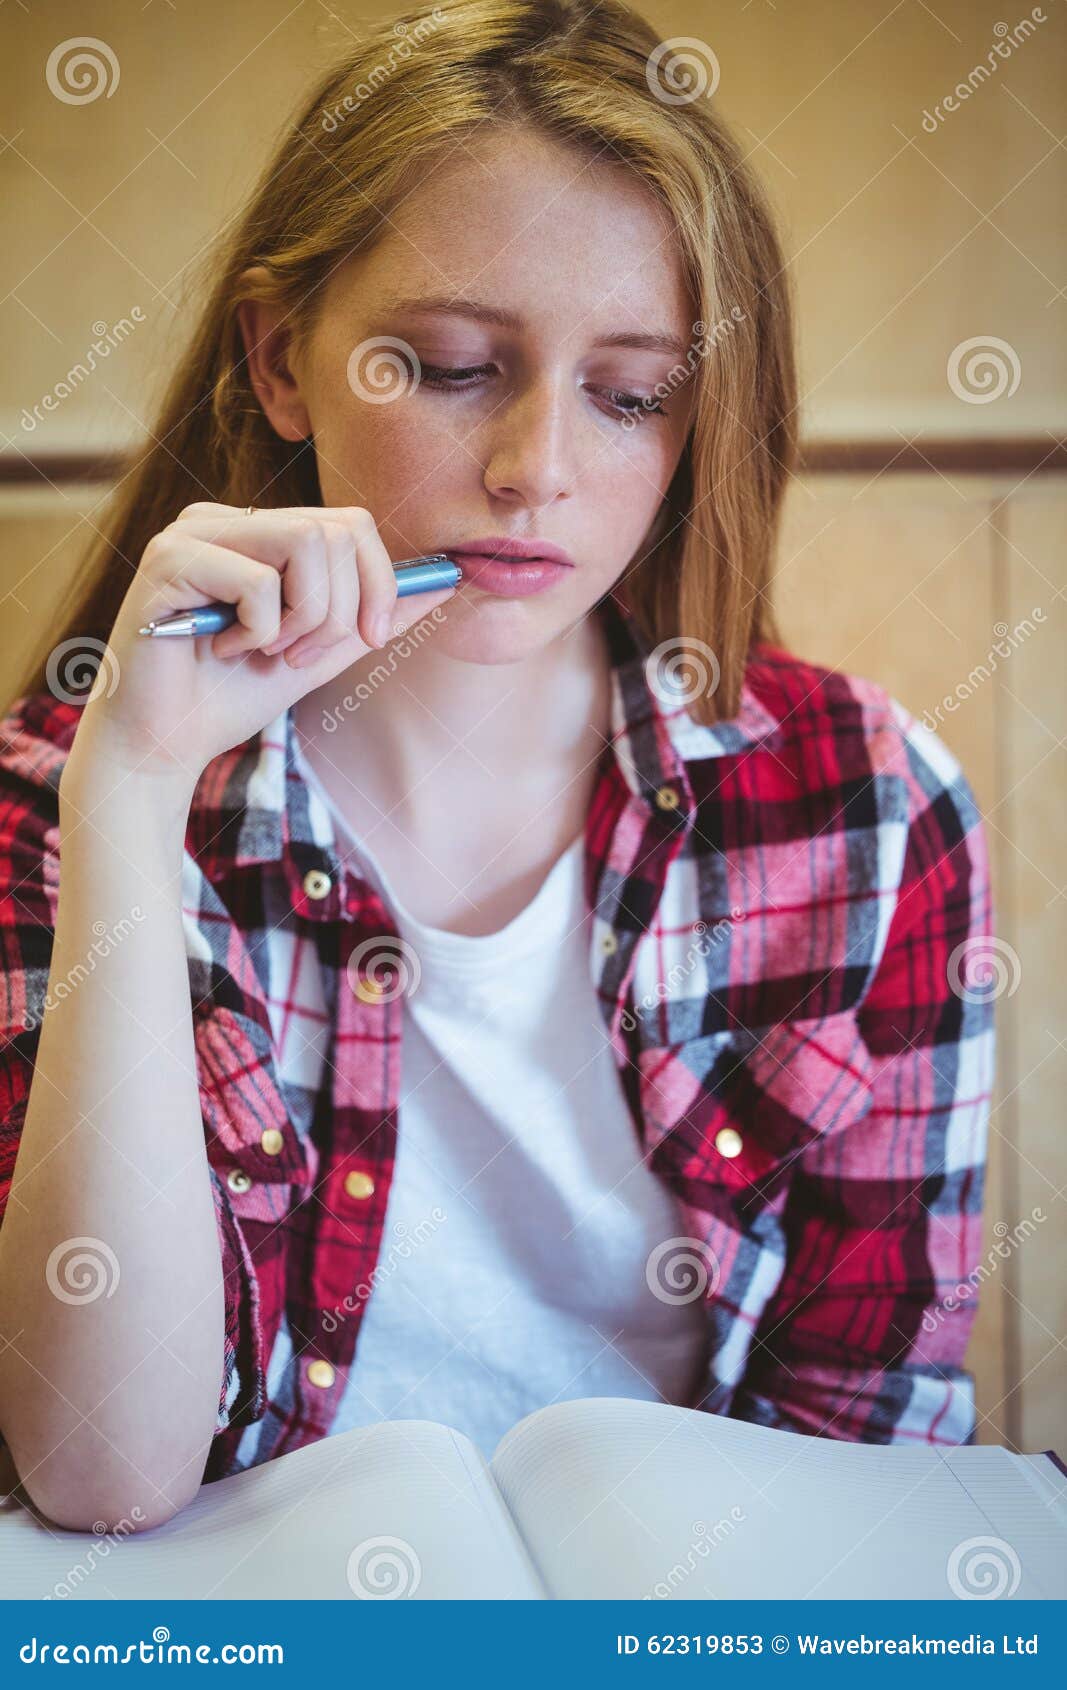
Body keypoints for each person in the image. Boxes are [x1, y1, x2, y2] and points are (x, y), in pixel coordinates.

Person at [0, 0, 995, 1534]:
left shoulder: (870, 813)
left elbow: (874, 1480)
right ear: (281, 361)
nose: (538, 465)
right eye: (456, 367)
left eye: (631, 395)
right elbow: (100, 1475)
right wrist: (125, 799)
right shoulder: (59, 809)